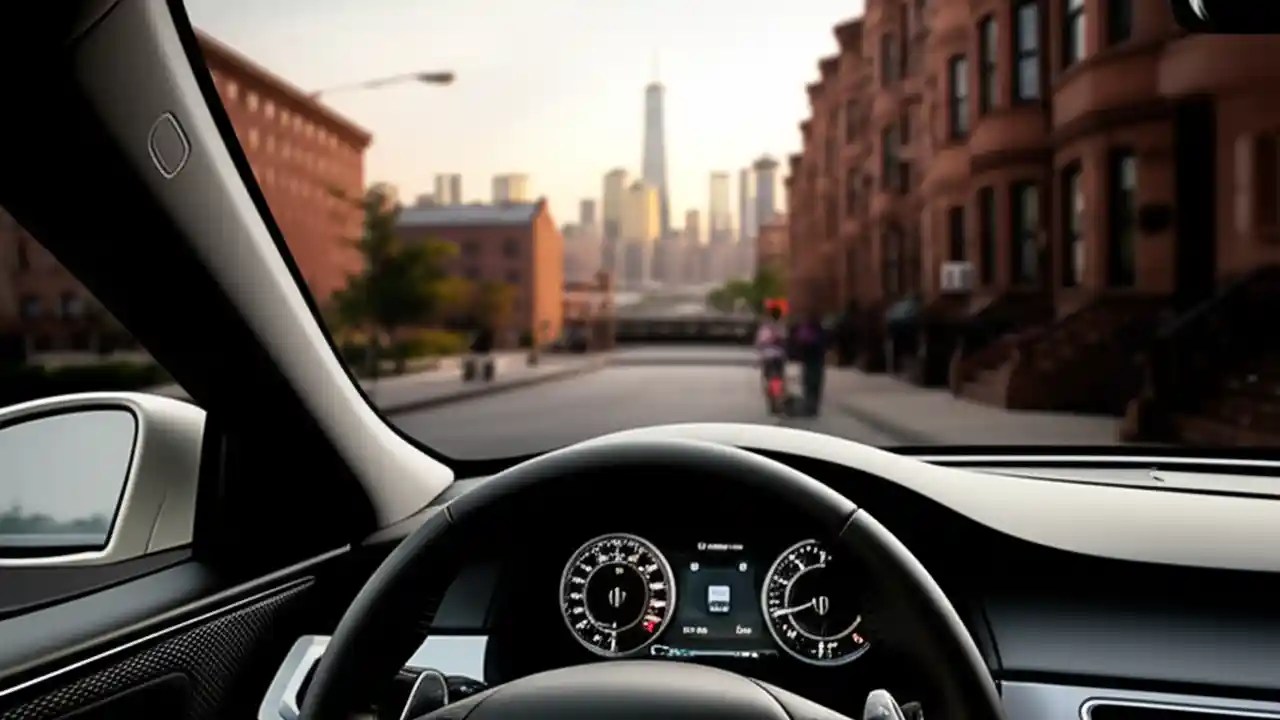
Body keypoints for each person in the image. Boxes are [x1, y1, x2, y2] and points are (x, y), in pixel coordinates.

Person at [754, 303, 788, 414]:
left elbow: (760, 343)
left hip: (769, 357)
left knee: (770, 379)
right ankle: (777, 401)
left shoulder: (766, 328)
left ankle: (774, 402)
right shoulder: (782, 327)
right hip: (778, 356)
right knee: (777, 379)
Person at [794, 311, 829, 416]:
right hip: (817, 361)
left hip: (809, 361)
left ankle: (809, 406)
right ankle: (813, 407)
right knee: (815, 384)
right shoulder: (820, 331)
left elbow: (799, 342)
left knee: (809, 383)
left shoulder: (806, 331)